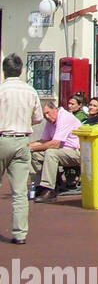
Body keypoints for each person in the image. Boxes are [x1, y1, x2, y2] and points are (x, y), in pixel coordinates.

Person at [0, 53, 43, 243]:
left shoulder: (1, 91)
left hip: (2, 138)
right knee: (20, 192)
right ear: (21, 70)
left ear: (4, 71)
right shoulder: (30, 91)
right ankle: (19, 234)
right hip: (22, 140)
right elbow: (37, 118)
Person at [30, 98, 82, 198]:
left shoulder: (64, 117)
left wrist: (32, 148)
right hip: (63, 151)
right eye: (44, 115)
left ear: (55, 109)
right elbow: (44, 141)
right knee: (35, 155)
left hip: (76, 152)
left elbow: (55, 144)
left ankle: (48, 188)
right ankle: (39, 186)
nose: (47, 116)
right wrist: (27, 146)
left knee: (51, 153)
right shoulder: (50, 122)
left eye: (48, 113)